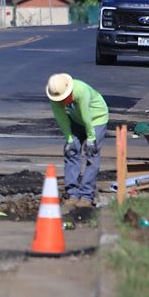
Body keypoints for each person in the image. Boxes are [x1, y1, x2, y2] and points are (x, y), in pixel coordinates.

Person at [45, 73, 109, 208]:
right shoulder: (54, 96)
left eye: (64, 98)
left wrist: (91, 138)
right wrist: (69, 139)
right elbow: (61, 118)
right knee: (71, 151)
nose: (62, 102)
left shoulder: (81, 90)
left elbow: (87, 116)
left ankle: (86, 195)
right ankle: (72, 194)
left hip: (96, 118)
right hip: (76, 119)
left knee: (92, 154)